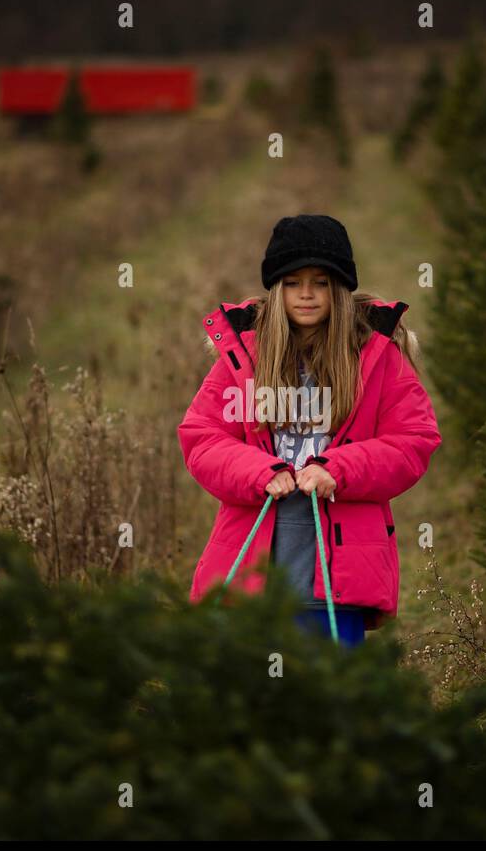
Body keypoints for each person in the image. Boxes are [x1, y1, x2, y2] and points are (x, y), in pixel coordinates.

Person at [178, 213, 441, 646]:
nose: (306, 294)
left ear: (338, 288)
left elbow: (414, 439)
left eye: (320, 282)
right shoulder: (245, 356)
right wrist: (259, 472)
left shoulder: (376, 357)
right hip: (253, 563)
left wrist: (338, 468)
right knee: (250, 701)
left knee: (329, 698)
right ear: (276, 288)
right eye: (293, 282)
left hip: (340, 568)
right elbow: (202, 437)